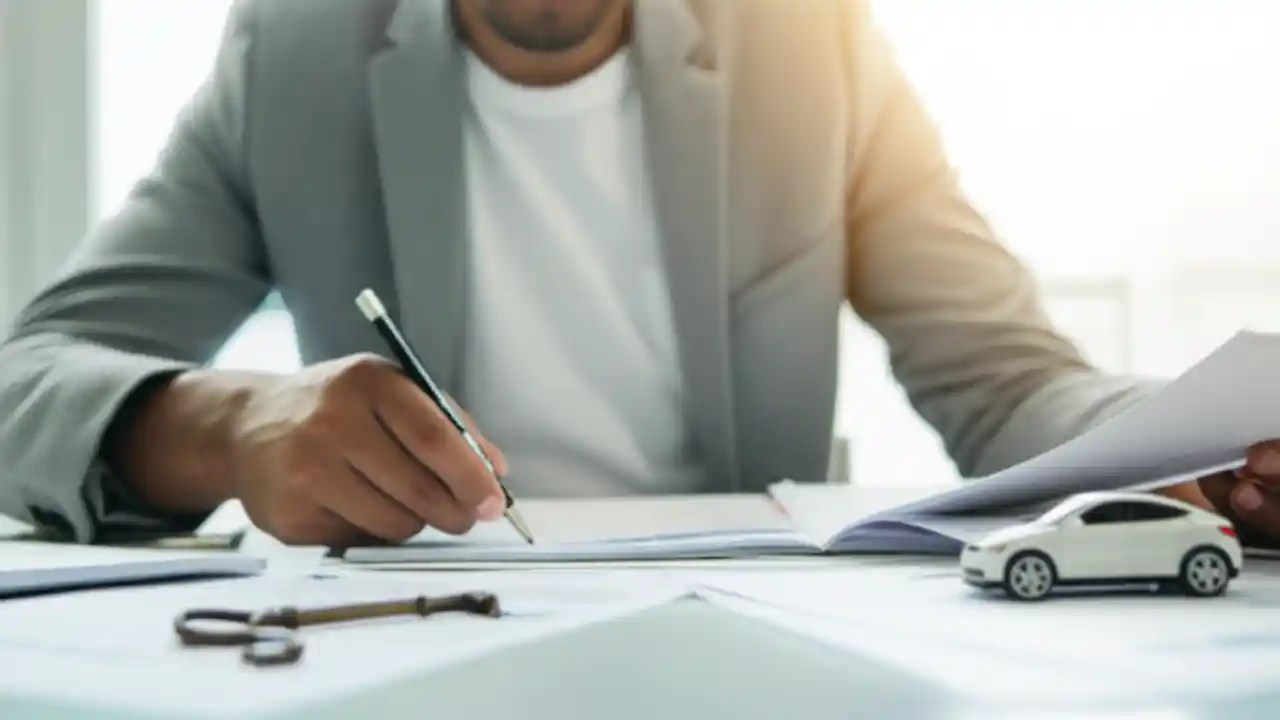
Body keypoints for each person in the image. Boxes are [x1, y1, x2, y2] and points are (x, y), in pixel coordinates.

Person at [0, 0, 1275, 547]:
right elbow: (28, 382)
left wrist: (1168, 444)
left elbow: (1001, 378)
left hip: (741, 631)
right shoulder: (297, 51)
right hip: (409, 631)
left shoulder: (806, 42)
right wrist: (228, 428)